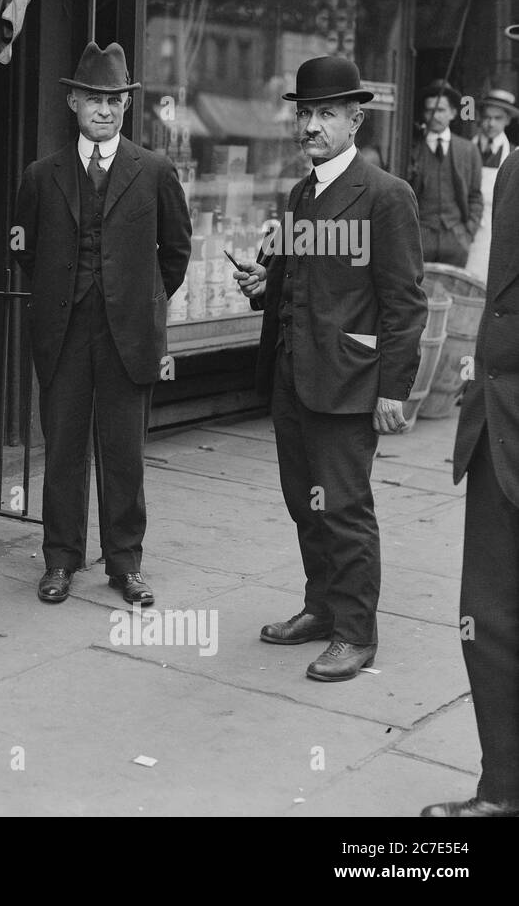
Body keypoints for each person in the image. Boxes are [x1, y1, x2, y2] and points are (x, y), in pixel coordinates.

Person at [234, 55, 427, 682]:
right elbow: (297, 278)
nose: (311, 126)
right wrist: (267, 283)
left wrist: (393, 388)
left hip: (347, 382)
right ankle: (320, 609)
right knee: (304, 503)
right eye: (305, 113)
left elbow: (405, 301)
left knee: (343, 508)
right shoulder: (301, 192)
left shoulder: (387, 197)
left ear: (355, 120)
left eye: (325, 114)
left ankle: (355, 632)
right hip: (294, 376)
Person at [11, 41, 190, 609]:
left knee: (123, 456)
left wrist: (143, 305)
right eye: (93, 99)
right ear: (73, 104)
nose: (104, 110)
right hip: (64, 333)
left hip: (127, 337)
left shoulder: (155, 171)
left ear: (127, 105)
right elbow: (26, 250)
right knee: (62, 450)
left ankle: (125, 563)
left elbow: (176, 253)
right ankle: (60, 560)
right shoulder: (42, 175)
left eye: (114, 99)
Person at [422, 25, 519, 818]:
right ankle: (502, 785)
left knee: (491, 613)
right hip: (500, 416)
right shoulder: (514, 164)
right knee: (486, 618)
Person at [407, 79, 483, 268]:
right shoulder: (411, 148)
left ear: (453, 113)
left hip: (456, 239)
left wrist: (467, 233)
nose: (435, 116)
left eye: (440, 110)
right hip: (420, 237)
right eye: (429, 110)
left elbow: (475, 196)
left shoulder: (468, 150)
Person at [466, 88, 517, 280]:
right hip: (468, 231)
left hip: (496, 233)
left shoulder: (513, 155)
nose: (490, 123)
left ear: (507, 120)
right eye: (487, 117)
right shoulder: (466, 150)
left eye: (497, 118)